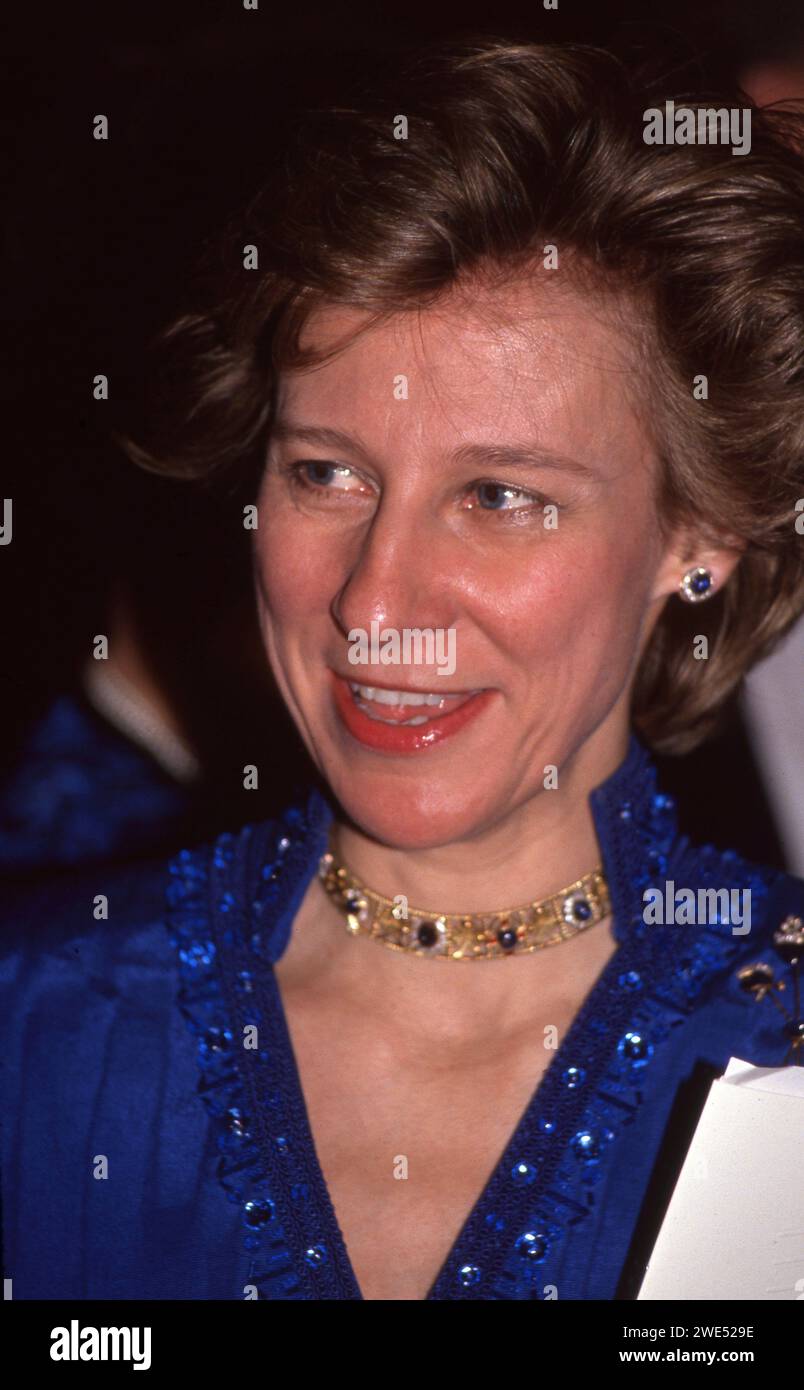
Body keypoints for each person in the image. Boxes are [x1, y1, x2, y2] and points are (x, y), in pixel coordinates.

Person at [2, 36, 804, 1302]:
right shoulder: (35, 1017)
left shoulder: (785, 1043)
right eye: (327, 473)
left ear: (698, 537)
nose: (376, 599)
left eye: (498, 494)